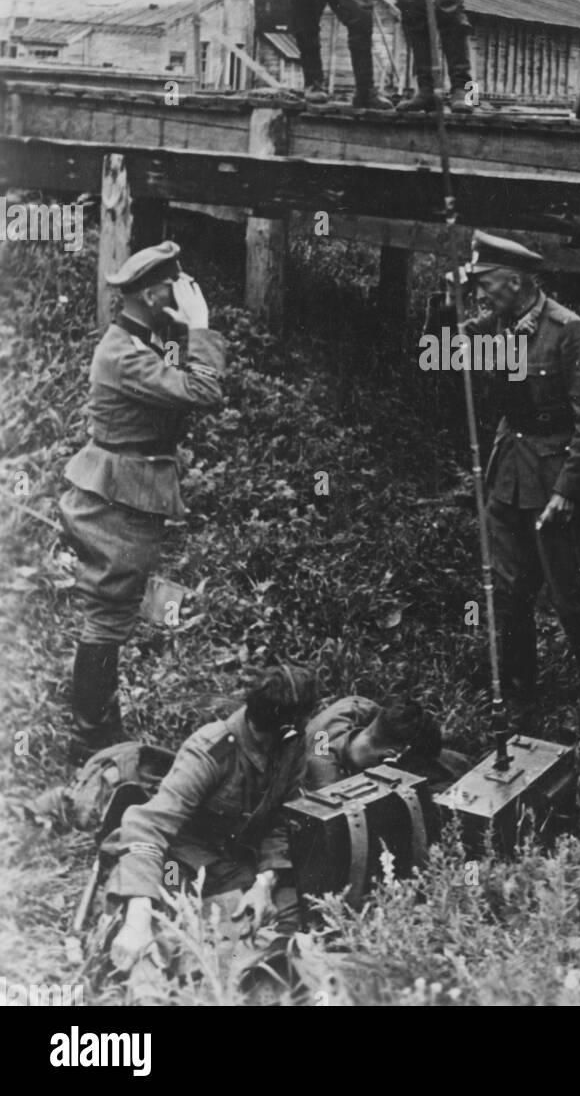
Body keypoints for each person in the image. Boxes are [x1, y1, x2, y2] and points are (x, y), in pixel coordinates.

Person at [438, 230, 580, 729]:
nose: (478, 293)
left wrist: (567, 490)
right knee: (508, 594)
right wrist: (450, 315)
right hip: (509, 477)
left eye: (485, 283)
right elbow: (448, 357)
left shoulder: (569, 332)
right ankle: (519, 700)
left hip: (556, 488)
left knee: (571, 601)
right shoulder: (493, 327)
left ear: (515, 281)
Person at [59, 243, 225, 762]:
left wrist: (180, 327)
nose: (183, 294)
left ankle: (101, 723)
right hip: (118, 494)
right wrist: (199, 327)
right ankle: (89, 736)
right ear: (155, 294)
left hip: (127, 487)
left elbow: (175, 381)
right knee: (109, 614)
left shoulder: (141, 338)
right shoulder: (123, 353)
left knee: (117, 610)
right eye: (174, 287)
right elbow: (202, 391)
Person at [103, 667, 321, 973]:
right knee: (158, 924)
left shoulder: (292, 745)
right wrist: (138, 917)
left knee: (290, 919)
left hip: (233, 865)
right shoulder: (210, 750)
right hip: (177, 863)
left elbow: (282, 817)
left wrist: (264, 882)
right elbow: (149, 826)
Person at [304, 696, 467, 790]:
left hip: (367, 735)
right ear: (391, 755)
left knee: (448, 762)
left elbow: (385, 714)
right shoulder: (323, 765)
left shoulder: (363, 710)